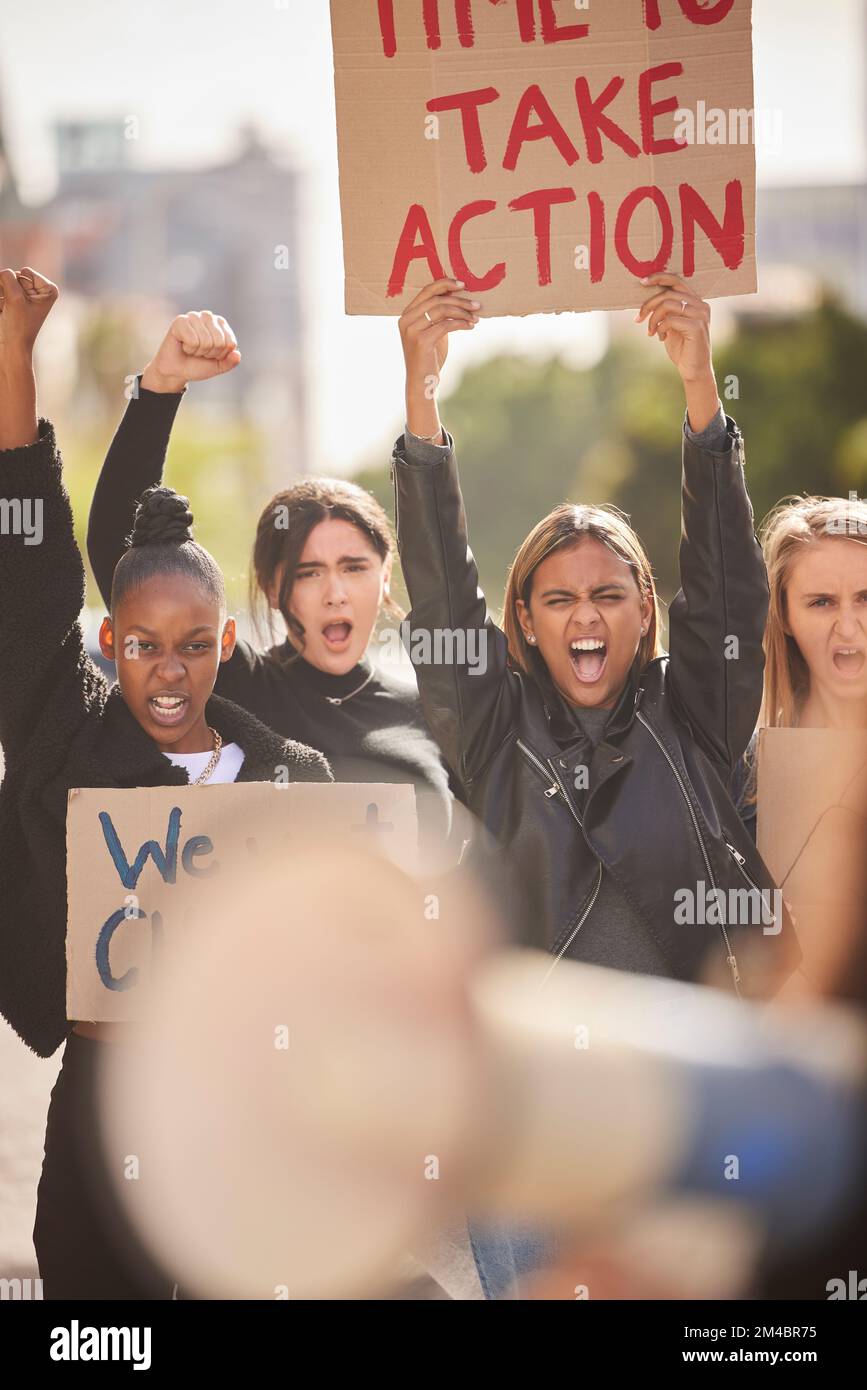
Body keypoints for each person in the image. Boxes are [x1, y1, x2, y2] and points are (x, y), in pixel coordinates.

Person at [390, 272, 801, 1296]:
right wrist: (421, 398)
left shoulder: (696, 711)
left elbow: (728, 582)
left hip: (690, 1108)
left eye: (610, 594)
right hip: (529, 1110)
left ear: (645, 612)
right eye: (560, 597)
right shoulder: (488, 727)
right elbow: (442, 580)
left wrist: (702, 387)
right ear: (523, 619)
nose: (586, 615)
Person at [0, 268, 332, 1298]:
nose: (170, 669)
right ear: (111, 643)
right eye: (141, 646)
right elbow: (38, 564)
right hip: (102, 1120)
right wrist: (13, 356)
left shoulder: (289, 778)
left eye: (194, 644)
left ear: (227, 643)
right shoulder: (74, 749)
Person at [85, 312, 458, 861]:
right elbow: (122, 553)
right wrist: (161, 386)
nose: (334, 592)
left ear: (385, 578)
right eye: (309, 573)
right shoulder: (237, 690)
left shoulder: (436, 705)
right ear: (273, 586)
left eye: (354, 567)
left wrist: (423, 392)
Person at [737, 493, 867, 997]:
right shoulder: (745, 769)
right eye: (821, 602)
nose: (849, 626)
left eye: (866, 598)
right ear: (784, 616)